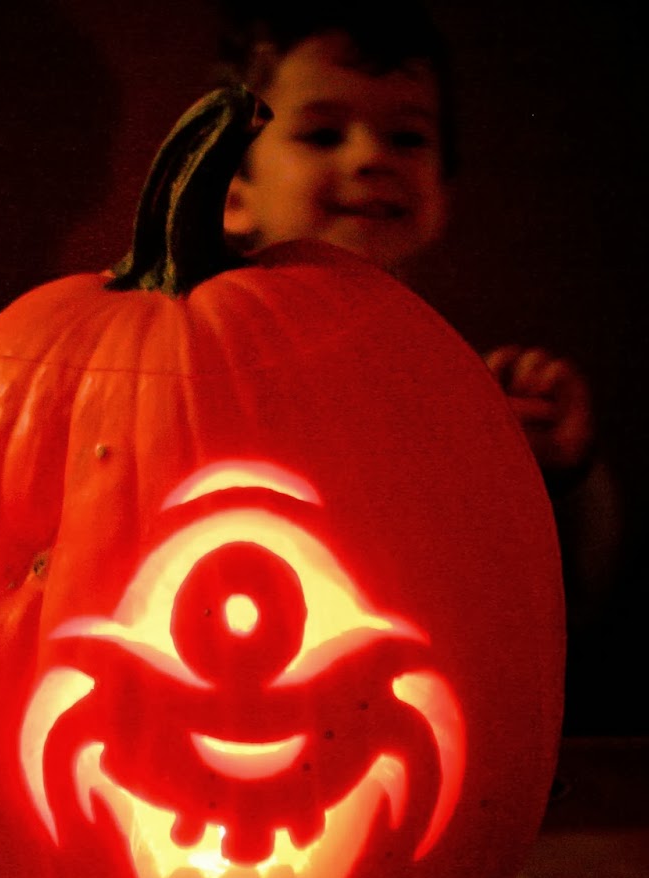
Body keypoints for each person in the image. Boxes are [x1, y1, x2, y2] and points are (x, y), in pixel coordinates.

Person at [214, 0, 618, 626]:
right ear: (233, 198)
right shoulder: (202, 367)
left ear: (444, 191)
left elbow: (563, 595)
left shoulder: (461, 387)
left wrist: (556, 472)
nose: (372, 156)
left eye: (407, 136)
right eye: (322, 134)